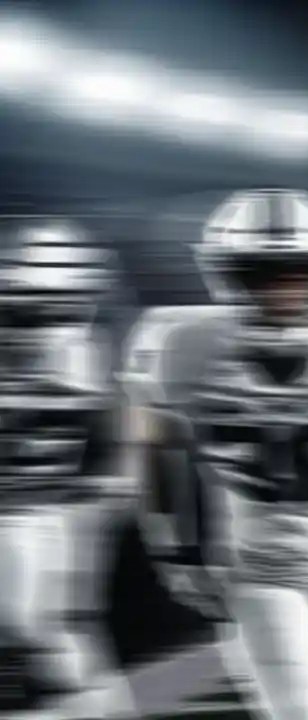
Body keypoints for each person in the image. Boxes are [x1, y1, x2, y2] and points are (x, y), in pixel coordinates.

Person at [122, 189, 308, 720]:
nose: (283, 290)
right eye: (260, 273)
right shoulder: (178, 345)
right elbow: (155, 459)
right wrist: (175, 553)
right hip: (255, 556)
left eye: (302, 271)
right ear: (224, 276)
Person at [0, 220, 134, 718]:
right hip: (28, 508)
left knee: (48, 628)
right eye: (33, 305)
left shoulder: (90, 356)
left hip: (53, 509)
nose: (47, 320)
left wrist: (100, 503)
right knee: (41, 630)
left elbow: (112, 442)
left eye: (64, 305)